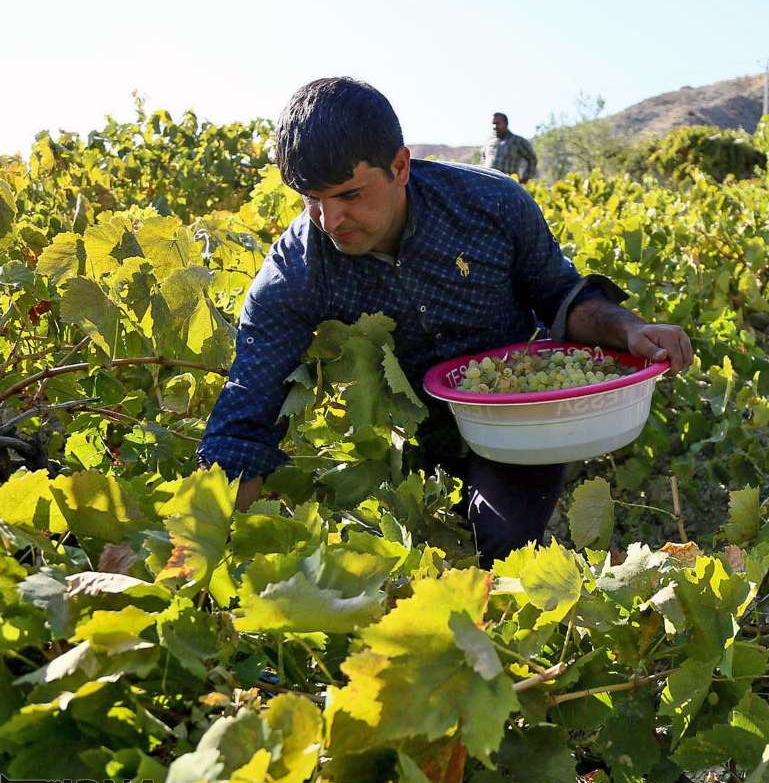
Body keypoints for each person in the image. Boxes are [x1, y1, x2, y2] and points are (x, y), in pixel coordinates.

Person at [196, 78, 693, 563]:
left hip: (514, 418)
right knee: (416, 556)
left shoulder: (492, 204)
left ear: (400, 166)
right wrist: (195, 547)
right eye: (312, 200)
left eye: (349, 195)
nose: (331, 221)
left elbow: (559, 295)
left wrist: (628, 329)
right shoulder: (297, 270)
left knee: (502, 543)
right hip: (403, 436)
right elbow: (247, 412)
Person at [481, 112, 538, 183]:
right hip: (487, 183)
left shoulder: (518, 141)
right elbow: (483, 159)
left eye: (498, 123)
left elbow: (532, 159)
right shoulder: (489, 141)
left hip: (508, 185)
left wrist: (525, 178)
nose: (495, 126)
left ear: (506, 123)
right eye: (493, 123)